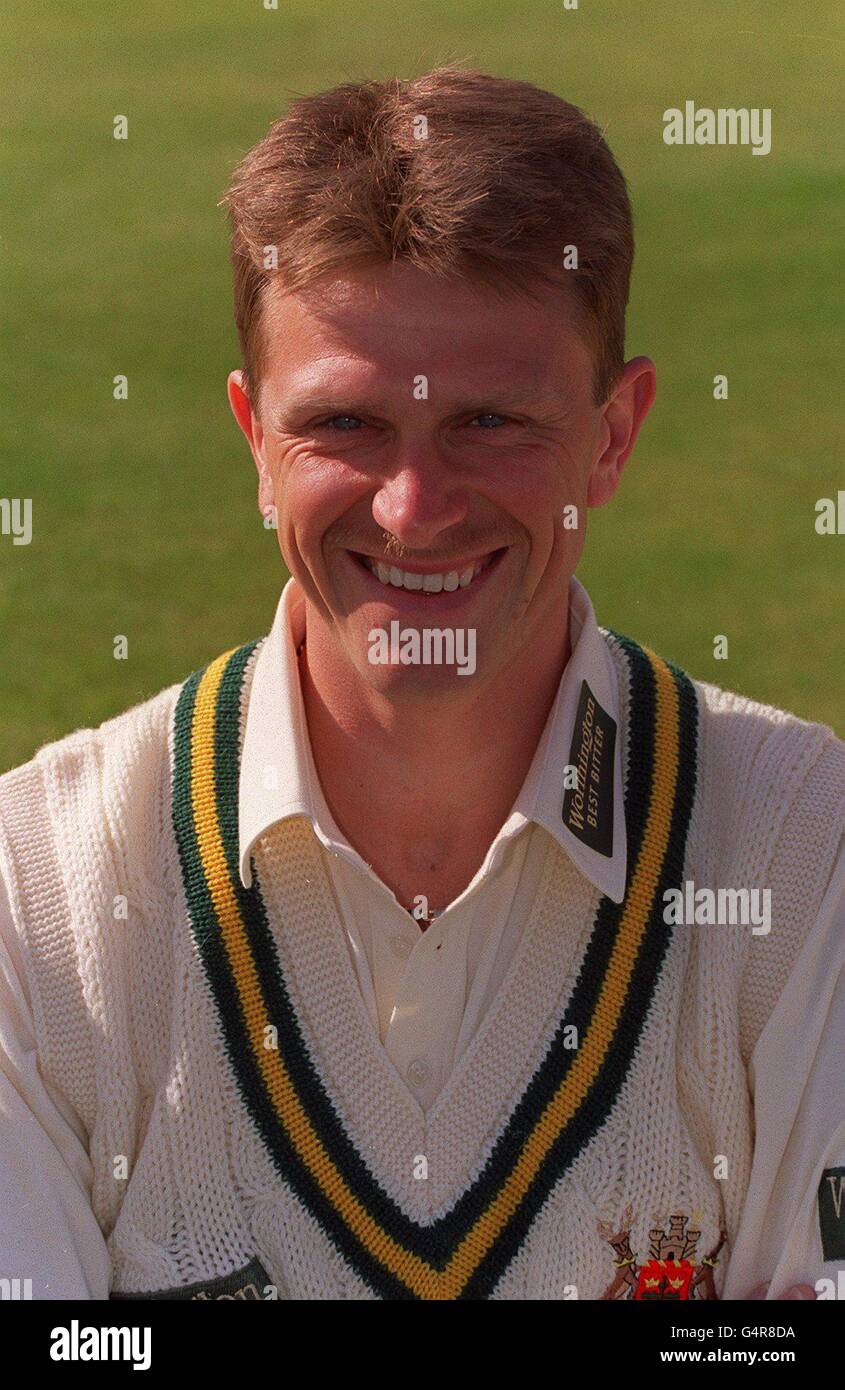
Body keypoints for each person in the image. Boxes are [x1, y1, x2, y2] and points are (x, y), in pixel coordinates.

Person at [0, 68, 842, 1302]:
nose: (415, 509)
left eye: (490, 420)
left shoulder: (801, 847)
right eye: (342, 425)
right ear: (253, 443)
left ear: (611, 434)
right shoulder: (40, 886)